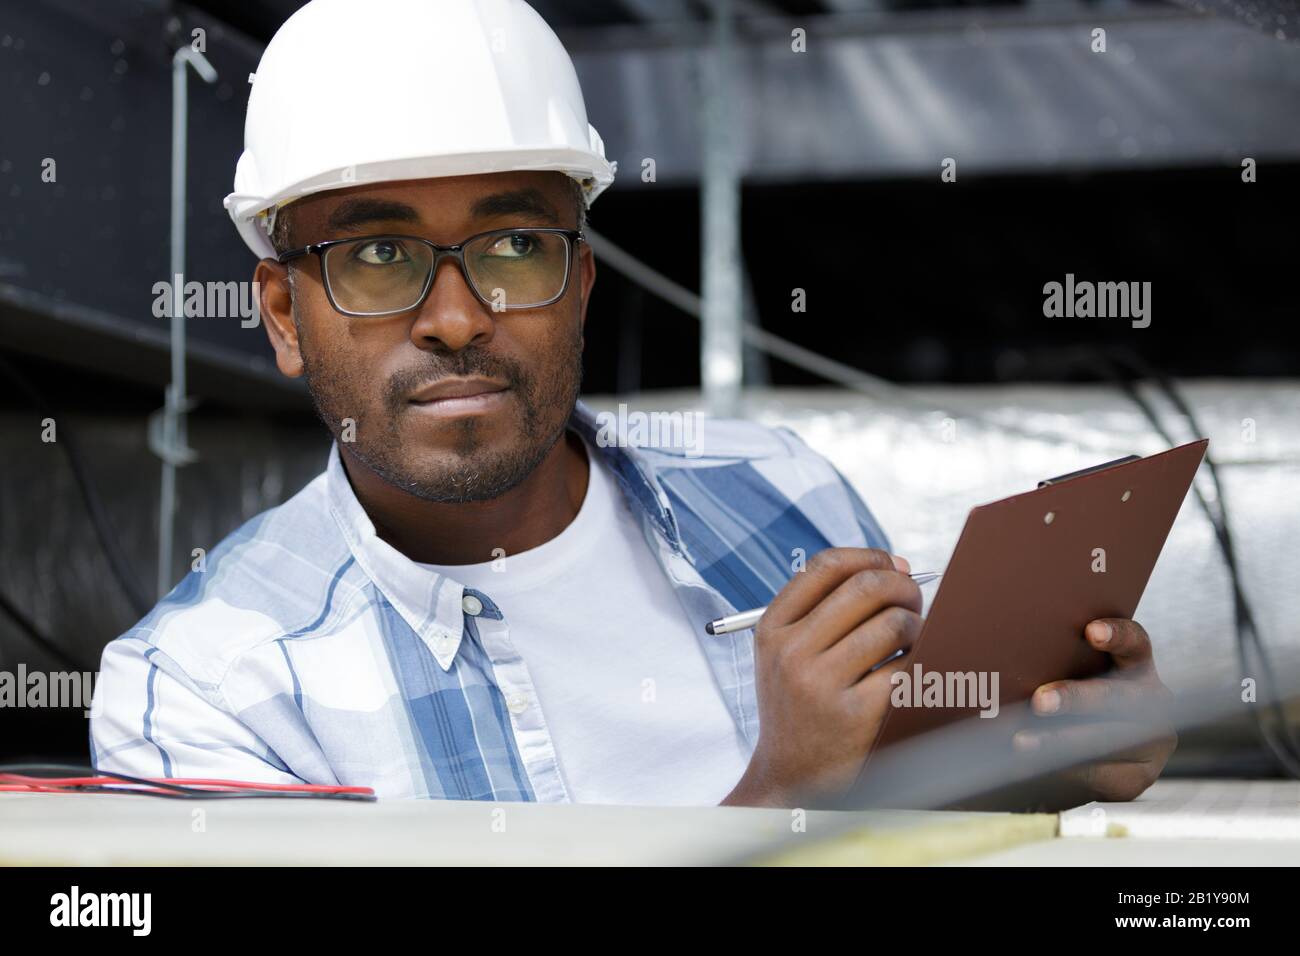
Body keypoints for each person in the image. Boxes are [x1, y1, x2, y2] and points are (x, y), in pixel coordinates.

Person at [90, 0, 1175, 807]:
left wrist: (1038, 764)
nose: (458, 317)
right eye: (378, 255)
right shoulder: (207, 691)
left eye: (516, 244)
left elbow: (909, 826)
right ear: (282, 313)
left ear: (582, 283)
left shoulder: (778, 492)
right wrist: (780, 803)